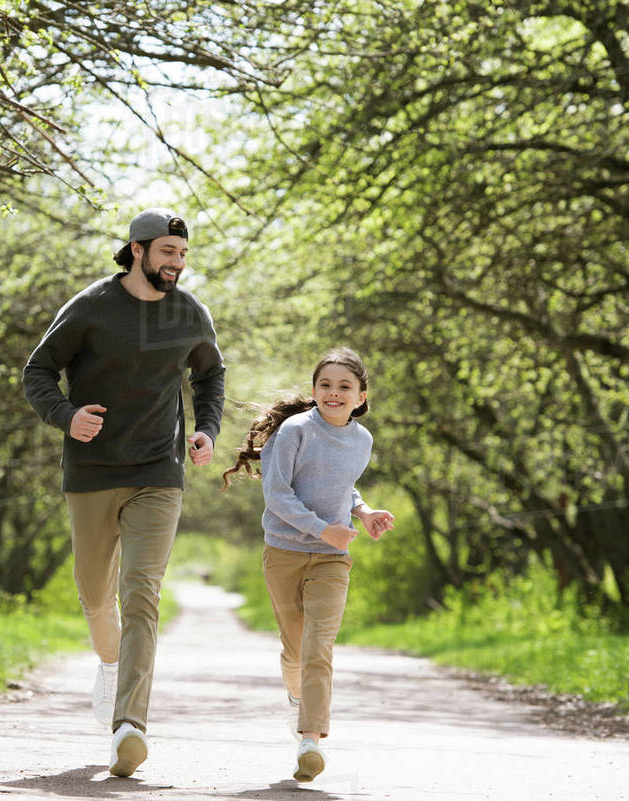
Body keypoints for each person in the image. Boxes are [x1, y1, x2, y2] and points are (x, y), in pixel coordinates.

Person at [23, 208, 225, 778]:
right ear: (136, 250)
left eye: (182, 255)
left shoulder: (190, 313)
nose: (177, 264)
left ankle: (129, 726)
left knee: (142, 593)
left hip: (159, 472)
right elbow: (37, 371)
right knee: (96, 597)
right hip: (91, 471)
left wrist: (207, 428)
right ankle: (110, 663)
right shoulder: (90, 307)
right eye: (167, 252)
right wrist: (65, 416)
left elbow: (210, 375)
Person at [222, 346, 393, 783]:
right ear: (314, 390)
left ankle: (310, 741)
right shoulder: (295, 431)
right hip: (284, 552)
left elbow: (344, 488)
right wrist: (323, 528)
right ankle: (298, 703)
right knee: (295, 649)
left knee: (320, 645)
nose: (333, 393)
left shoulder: (363, 439)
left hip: (333, 557)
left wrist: (363, 512)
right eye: (325, 385)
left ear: (360, 396)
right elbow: (278, 496)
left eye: (344, 387)